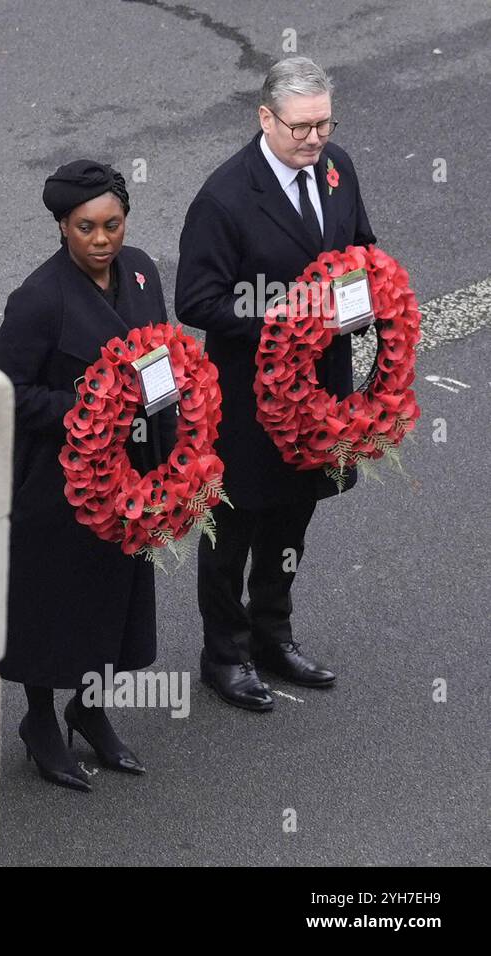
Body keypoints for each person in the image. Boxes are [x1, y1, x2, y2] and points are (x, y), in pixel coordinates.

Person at [175, 56, 376, 711]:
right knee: (233, 531)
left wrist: (365, 297)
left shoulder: (339, 168)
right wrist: (290, 313)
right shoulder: (225, 198)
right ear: (266, 117)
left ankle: (272, 637)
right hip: (246, 401)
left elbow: (363, 251)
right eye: (301, 127)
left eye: (323, 123)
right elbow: (198, 302)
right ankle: (223, 655)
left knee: (292, 521)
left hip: (321, 395)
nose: (315, 139)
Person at [0, 160, 176, 791]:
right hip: (57, 486)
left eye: (113, 224)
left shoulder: (144, 269)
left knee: (115, 601)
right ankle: (40, 721)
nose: (103, 240)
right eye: (87, 227)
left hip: (132, 473)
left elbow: (163, 352)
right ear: (62, 228)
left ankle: (89, 709)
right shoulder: (39, 299)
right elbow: (3, 393)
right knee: (51, 609)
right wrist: (89, 410)